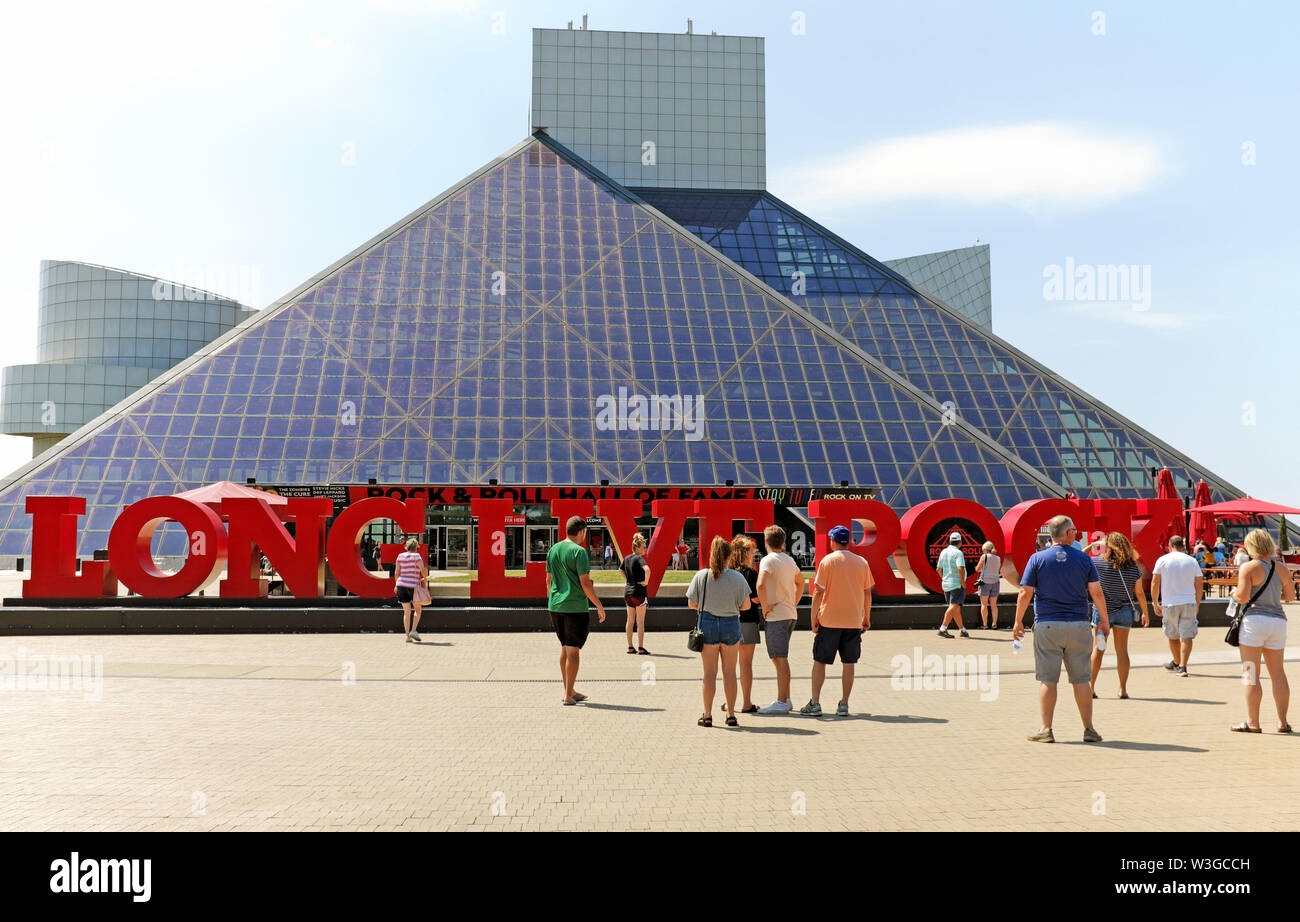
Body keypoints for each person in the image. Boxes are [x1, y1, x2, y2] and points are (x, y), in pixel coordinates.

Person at [1013, 515, 1108, 743]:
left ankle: (1046, 729)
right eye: (1074, 530)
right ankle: (1089, 730)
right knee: (1081, 679)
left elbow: (1025, 593)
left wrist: (1018, 622)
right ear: (1067, 533)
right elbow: (1096, 592)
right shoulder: (1084, 560)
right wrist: (1103, 619)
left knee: (1048, 679)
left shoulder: (1037, 559)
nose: (1076, 533)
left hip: (1047, 624)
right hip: (1078, 624)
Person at [801, 524, 873, 717]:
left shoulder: (827, 561)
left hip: (829, 620)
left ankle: (815, 703)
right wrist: (866, 617)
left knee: (820, 661)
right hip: (853, 620)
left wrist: (813, 617)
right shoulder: (862, 562)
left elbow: (818, 592)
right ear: (849, 541)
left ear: (832, 541)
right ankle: (844, 704)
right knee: (849, 663)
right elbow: (867, 593)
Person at [1230, 529, 1293, 733]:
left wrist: (1234, 593)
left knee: (1250, 672)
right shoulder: (1281, 568)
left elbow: (1244, 596)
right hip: (1277, 621)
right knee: (1278, 674)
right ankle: (1282, 721)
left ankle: (1253, 722)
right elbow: (1290, 596)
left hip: (1254, 621)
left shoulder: (1248, 567)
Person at [687, 536, 751, 727]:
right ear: (729, 555)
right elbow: (746, 605)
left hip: (707, 624)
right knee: (730, 672)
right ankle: (731, 714)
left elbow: (692, 603)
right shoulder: (737, 577)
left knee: (709, 673)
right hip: (731, 624)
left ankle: (707, 715)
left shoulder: (702, 576)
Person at [546, 515, 606, 706]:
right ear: (581, 532)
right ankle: (567, 696)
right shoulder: (579, 552)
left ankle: (569, 689)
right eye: (585, 533)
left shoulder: (553, 550)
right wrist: (598, 605)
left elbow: (548, 581)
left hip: (555, 606)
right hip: (575, 607)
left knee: (565, 647)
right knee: (573, 651)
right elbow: (585, 583)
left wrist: (554, 599)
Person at [1088, 532, 1150, 699]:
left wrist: (1093, 545)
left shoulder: (1097, 562)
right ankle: (1122, 689)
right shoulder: (1133, 567)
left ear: (1108, 546)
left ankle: (1091, 687)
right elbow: (1139, 593)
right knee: (1122, 651)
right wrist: (1145, 612)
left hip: (1103, 613)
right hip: (1124, 612)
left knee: (1098, 650)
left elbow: (1080, 558)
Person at [756, 525, 805, 714]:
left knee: (779, 658)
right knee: (780, 658)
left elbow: (760, 585)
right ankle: (786, 698)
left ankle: (782, 701)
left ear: (766, 542)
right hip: (789, 614)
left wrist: (765, 606)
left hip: (777, 616)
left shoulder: (768, 561)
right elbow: (800, 582)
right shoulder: (789, 560)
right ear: (783, 542)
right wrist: (794, 601)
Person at [1151, 536, 1204, 677]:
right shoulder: (1192, 561)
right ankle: (1182, 666)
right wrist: (1197, 603)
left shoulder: (1163, 560)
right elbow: (1199, 584)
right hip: (1188, 601)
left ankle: (1177, 661)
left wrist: (1155, 602)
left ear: (1169, 545)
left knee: (1173, 635)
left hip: (1170, 603)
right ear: (1183, 546)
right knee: (1187, 636)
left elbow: (1155, 582)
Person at [730, 535, 762, 713]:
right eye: (751, 550)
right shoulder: (751, 573)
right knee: (746, 664)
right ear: (744, 553)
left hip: (729, 620)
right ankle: (746, 702)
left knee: (729, 665)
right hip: (748, 620)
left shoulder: (728, 572)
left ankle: (730, 703)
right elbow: (756, 598)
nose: (754, 553)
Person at [620, 533, 651, 655]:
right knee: (640, 622)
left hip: (628, 593)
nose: (645, 549)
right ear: (637, 548)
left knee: (630, 620)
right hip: (639, 593)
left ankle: (630, 646)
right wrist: (646, 581)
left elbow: (620, 569)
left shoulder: (627, 558)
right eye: (644, 547)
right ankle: (641, 647)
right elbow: (647, 570)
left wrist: (627, 579)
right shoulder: (639, 558)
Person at [394, 537, 427, 643]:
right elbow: (423, 570)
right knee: (418, 610)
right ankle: (413, 630)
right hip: (413, 586)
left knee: (406, 612)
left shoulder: (400, 556)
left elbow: (396, 573)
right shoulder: (417, 556)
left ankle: (407, 636)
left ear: (407, 546)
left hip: (401, 585)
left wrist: (396, 585)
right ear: (416, 546)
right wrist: (425, 578)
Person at [936, 532, 970, 638]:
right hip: (957, 584)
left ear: (950, 541)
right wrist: (963, 583)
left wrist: (944, 579)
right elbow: (960, 568)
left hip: (946, 584)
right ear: (960, 542)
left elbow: (938, 569)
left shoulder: (943, 552)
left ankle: (962, 630)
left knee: (955, 608)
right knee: (953, 606)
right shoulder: (958, 553)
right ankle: (943, 628)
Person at [975, 540, 1002, 629]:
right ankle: (994, 624)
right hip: (996, 582)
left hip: (985, 582)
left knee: (984, 604)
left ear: (985, 549)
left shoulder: (984, 556)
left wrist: (977, 568)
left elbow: (978, 569)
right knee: (994, 605)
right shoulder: (998, 558)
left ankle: (985, 624)